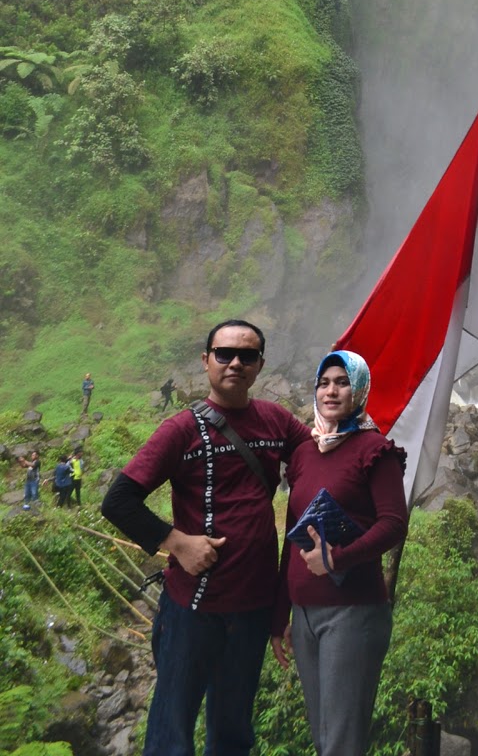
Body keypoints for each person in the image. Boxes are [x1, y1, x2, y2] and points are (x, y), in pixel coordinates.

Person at [102, 318, 311, 756]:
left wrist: (367, 443)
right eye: (225, 354)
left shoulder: (277, 421)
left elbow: (317, 457)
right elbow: (118, 501)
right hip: (192, 607)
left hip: (253, 608)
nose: (235, 363)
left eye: (247, 355)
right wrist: (177, 542)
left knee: (233, 733)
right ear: (206, 360)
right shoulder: (180, 430)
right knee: (171, 731)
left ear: (260, 365)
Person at [271, 350, 408, 756]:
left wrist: (336, 559)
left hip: (353, 610)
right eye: (324, 383)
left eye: (342, 382)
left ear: (359, 390)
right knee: (322, 737)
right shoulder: (304, 453)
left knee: (341, 743)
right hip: (304, 614)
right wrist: (280, 616)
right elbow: (292, 538)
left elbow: (393, 523)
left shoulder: (374, 449)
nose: (331, 391)